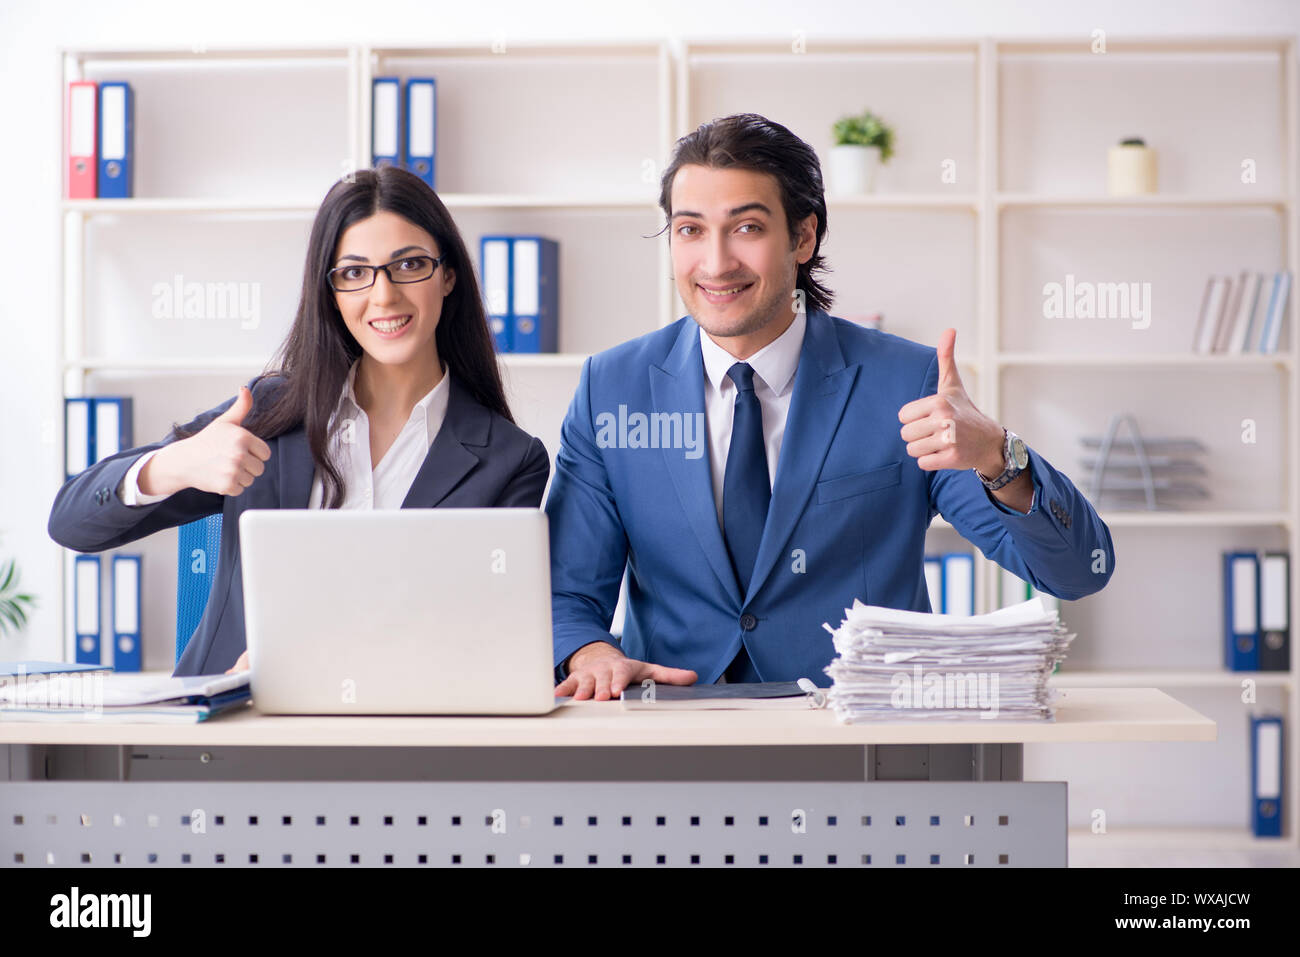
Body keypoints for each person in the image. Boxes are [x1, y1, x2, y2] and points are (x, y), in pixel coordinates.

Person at [548, 113, 1116, 700]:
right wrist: (590, 651)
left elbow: (1078, 571)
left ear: (803, 236)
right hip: (676, 727)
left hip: (858, 734)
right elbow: (565, 591)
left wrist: (1000, 456)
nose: (715, 264)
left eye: (746, 228)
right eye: (690, 230)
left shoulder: (903, 382)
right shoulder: (611, 389)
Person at [49, 166, 550, 677]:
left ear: (448, 276)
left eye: (409, 264)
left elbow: (485, 644)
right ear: (330, 291)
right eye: (354, 273)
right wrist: (175, 465)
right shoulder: (270, 412)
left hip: (400, 738)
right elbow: (71, 524)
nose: (383, 296)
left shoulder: (510, 460)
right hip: (229, 736)